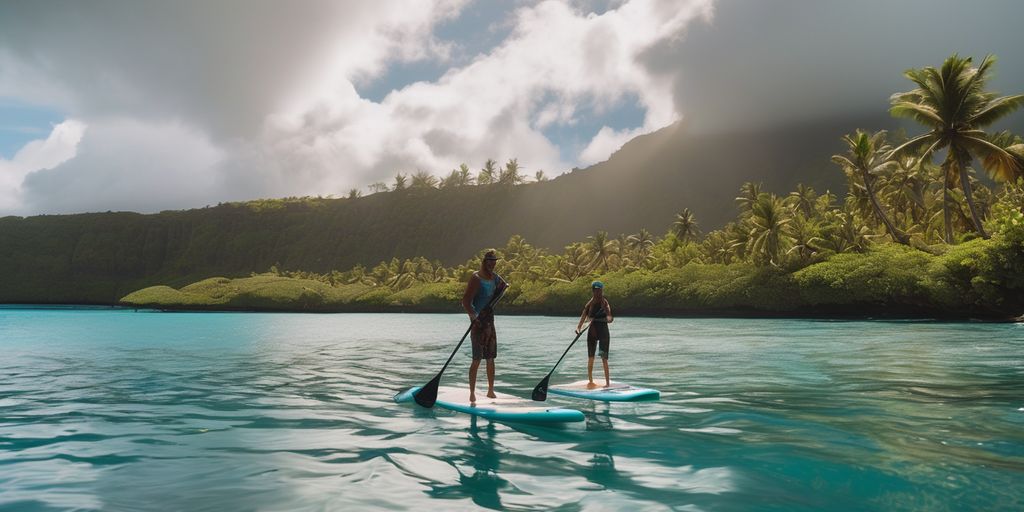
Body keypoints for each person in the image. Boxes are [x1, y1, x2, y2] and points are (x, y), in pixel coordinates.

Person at [462, 250, 506, 403]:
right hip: (478, 322)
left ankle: (490, 390)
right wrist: (473, 316)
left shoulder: (495, 278)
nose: (492, 264)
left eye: (494, 262)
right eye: (489, 262)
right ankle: (472, 393)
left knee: (491, 357)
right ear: (484, 262)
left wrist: (504, 289)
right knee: (477, 358)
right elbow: (466, 301)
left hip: (489, 320)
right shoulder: (476, 278)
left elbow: (503, 286)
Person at [575, 280, 613, 388]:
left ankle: (607, 384)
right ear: (593, 291)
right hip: (592, 331)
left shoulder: (605, 303)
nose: (598, 293)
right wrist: (578, 328)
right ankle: (590, 381)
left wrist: (608, 315)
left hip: (603, 332)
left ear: (602, 291)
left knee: (604, 358)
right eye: (596, 291)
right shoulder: (589, 304)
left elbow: (610, 318)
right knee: (591, 357)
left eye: (600, 291)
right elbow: (583, 317)